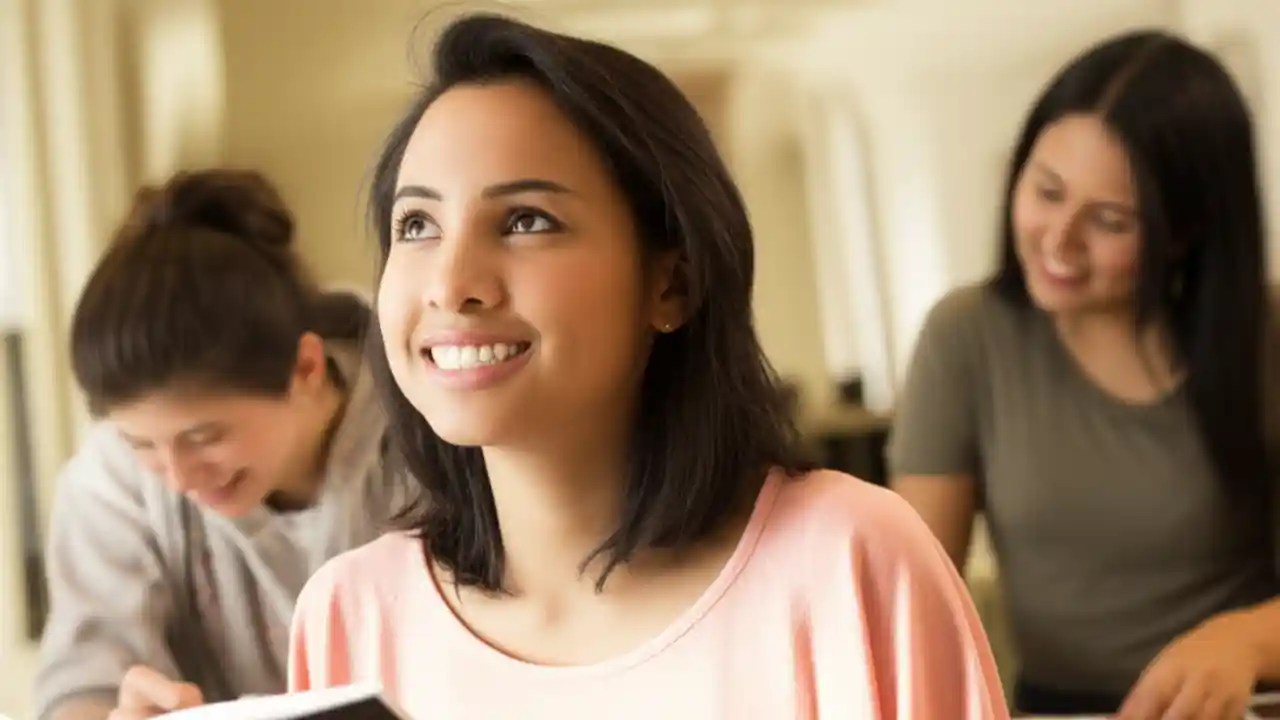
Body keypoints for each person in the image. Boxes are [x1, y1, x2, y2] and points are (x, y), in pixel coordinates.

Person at [287, 14, 1009, 719]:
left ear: (672, 284)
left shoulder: (850, 562)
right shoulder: (351, 617)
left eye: (525, 220)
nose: (450, 285)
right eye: (416, 225)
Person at [890, 30, 1280, 718]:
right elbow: (914, 599)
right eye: (1047, 192)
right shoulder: (966, 336)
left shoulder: (1265, 334)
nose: (1059, 241)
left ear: (1187, 231)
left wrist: (1245, 639)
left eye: (1110, 220)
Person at [34, 169, 408, 720]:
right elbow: (83, 678)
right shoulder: (111, 481)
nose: (178, 477)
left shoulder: (431, 428)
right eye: (142, 444)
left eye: (204, 437)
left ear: (305, 368)